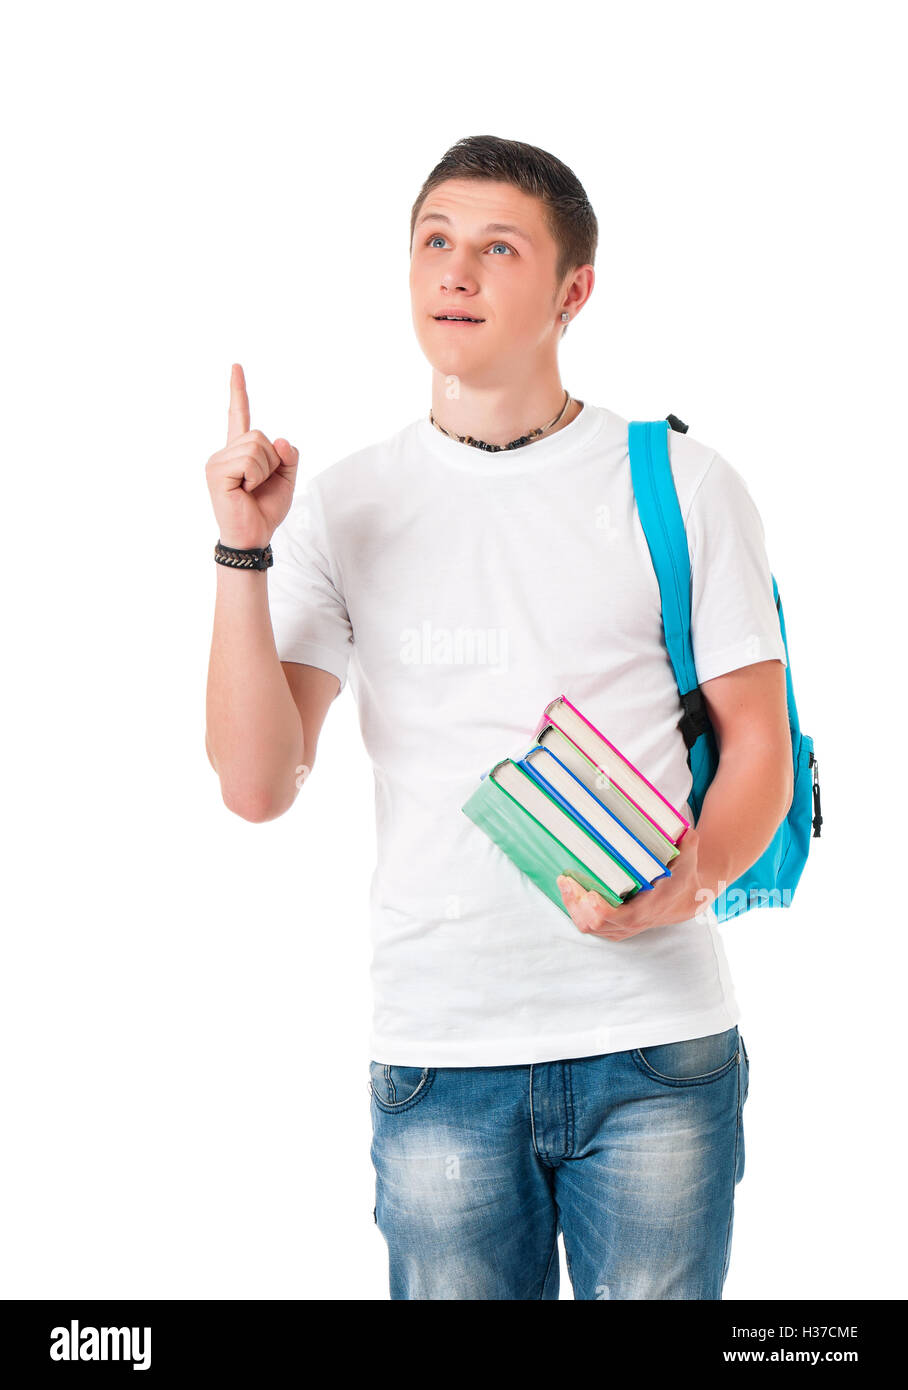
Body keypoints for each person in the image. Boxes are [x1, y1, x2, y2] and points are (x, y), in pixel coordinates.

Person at [204, 135, 792, 1300]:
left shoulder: (679, 482)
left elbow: (760, 746)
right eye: (433, 244)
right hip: (440, 1054)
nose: (453, 274)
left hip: (653, 1048)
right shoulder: (345, 504)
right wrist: (242, 550)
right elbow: (257, 784)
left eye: (495, 248)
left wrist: (688, 880)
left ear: (572, 291)